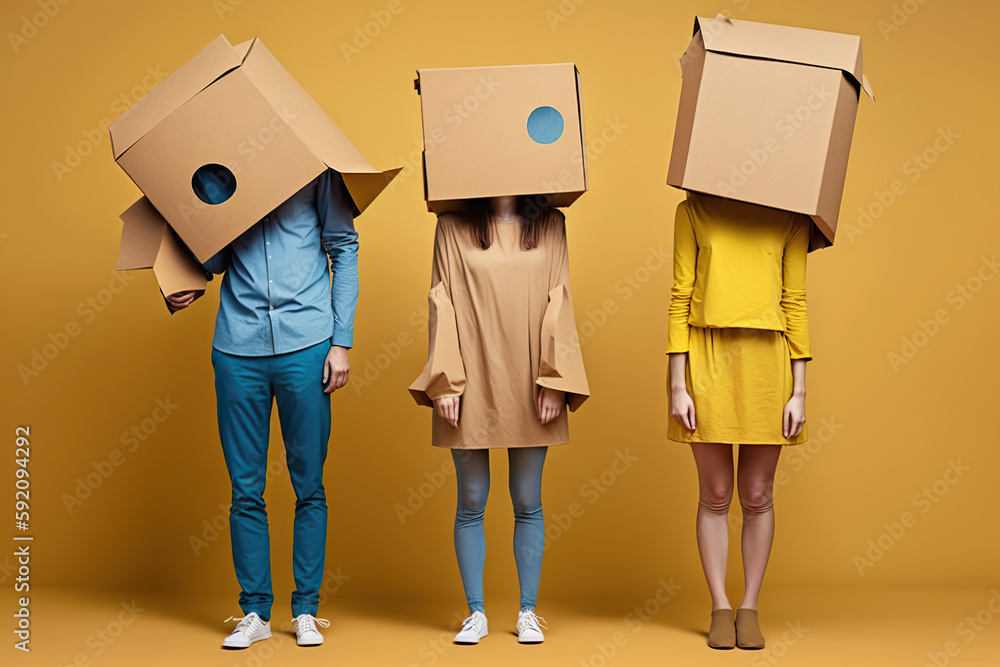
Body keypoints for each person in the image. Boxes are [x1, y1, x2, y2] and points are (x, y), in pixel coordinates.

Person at [167, 167, 358, 649]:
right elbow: (211, 259)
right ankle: (254, 611)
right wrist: (179, 278)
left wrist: (342, 341)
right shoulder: (213, 176)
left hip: (308, 344)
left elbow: (344, 246)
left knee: (309, 483)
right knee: (245, 487)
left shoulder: (320, 171)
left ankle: (307, 610)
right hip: (237, 349)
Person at [409, 194, 590, 645]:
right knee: (471, 500)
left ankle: (528, 611)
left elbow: (560, 299)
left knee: (528, 498)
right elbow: (441, 300)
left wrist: (556, 379)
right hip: (472, 374)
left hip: (531, 376)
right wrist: (446, 380)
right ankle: (476, 612)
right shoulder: (452, 226)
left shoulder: (549, 224)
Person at [665, 191, 816, 650]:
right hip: (706, 358)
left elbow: (795, 301)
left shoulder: (792, 215)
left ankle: (749, 605)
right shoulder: (692, 211)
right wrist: (677, 382)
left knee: (756, 494)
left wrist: (800, 389)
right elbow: (680, 293)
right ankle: (720, 606)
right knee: (714, 493)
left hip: (767, 361)